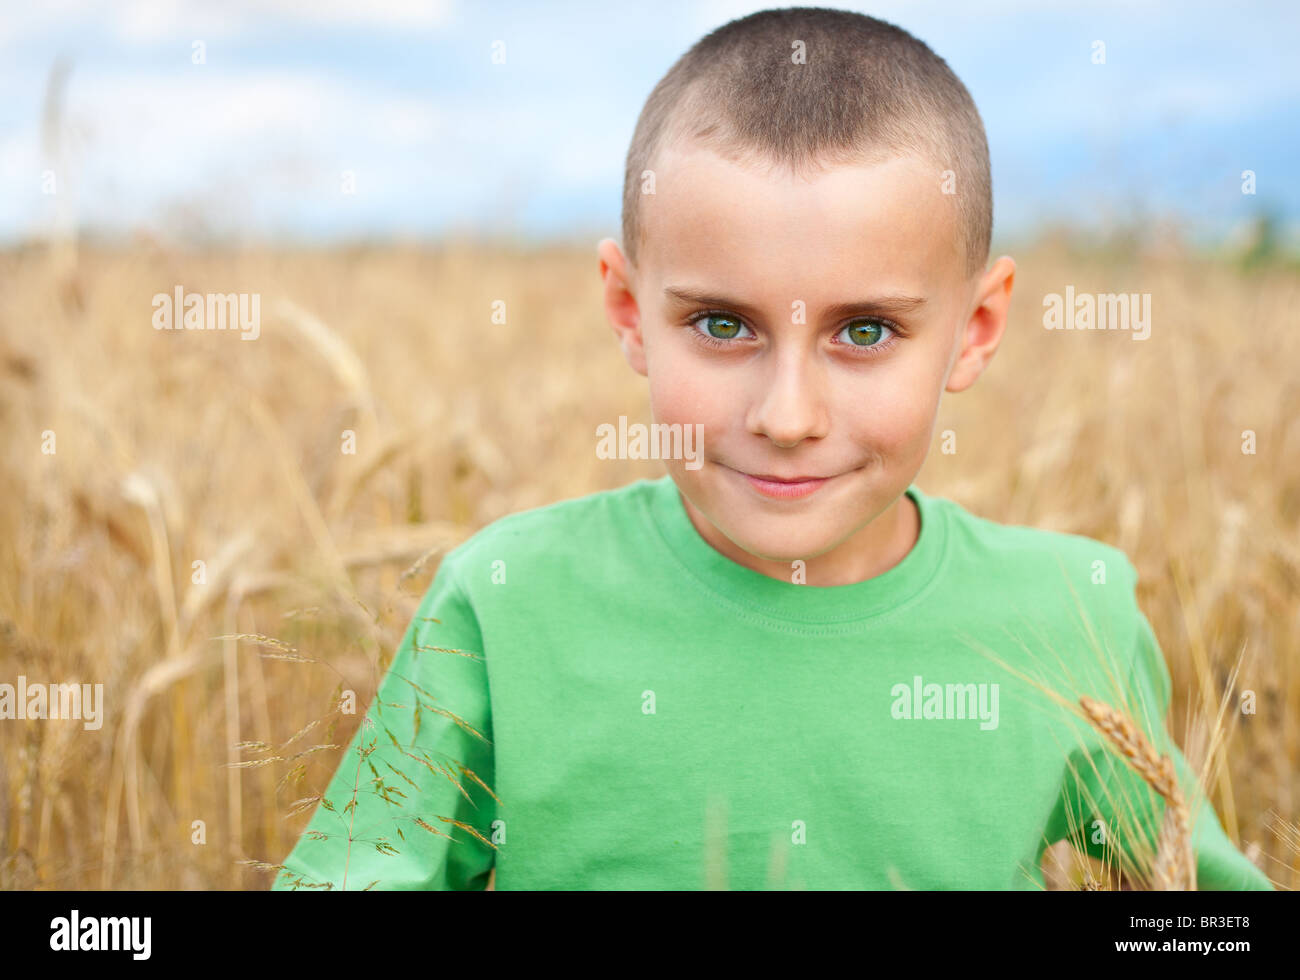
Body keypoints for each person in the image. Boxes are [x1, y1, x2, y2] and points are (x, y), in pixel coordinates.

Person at [272, 7, 1272, 891]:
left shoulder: (1068, 617)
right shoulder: (503, 600)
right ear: (627, 311)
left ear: (974, 327)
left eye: (865, 330)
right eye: (720, 325)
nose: (787, 415)